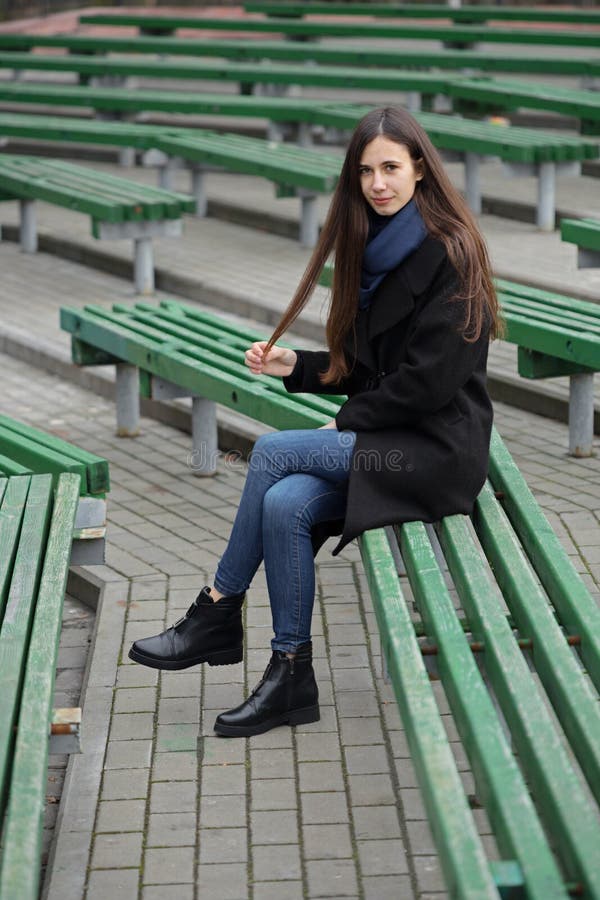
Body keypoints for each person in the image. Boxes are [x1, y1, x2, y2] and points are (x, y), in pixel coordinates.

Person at [129, 106, 502, 738]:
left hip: (435, 450)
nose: (378, 183)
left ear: (420, 168)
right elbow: (369, 366)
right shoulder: (378, 250)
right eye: (365, 171)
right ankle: (290, 675)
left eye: (390, 167)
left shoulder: (454, 254)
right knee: (285, 505)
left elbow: (430, 383)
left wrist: (347, 424)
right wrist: (295, 365)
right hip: (392, 441)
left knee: (274, 453)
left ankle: (216, 610)